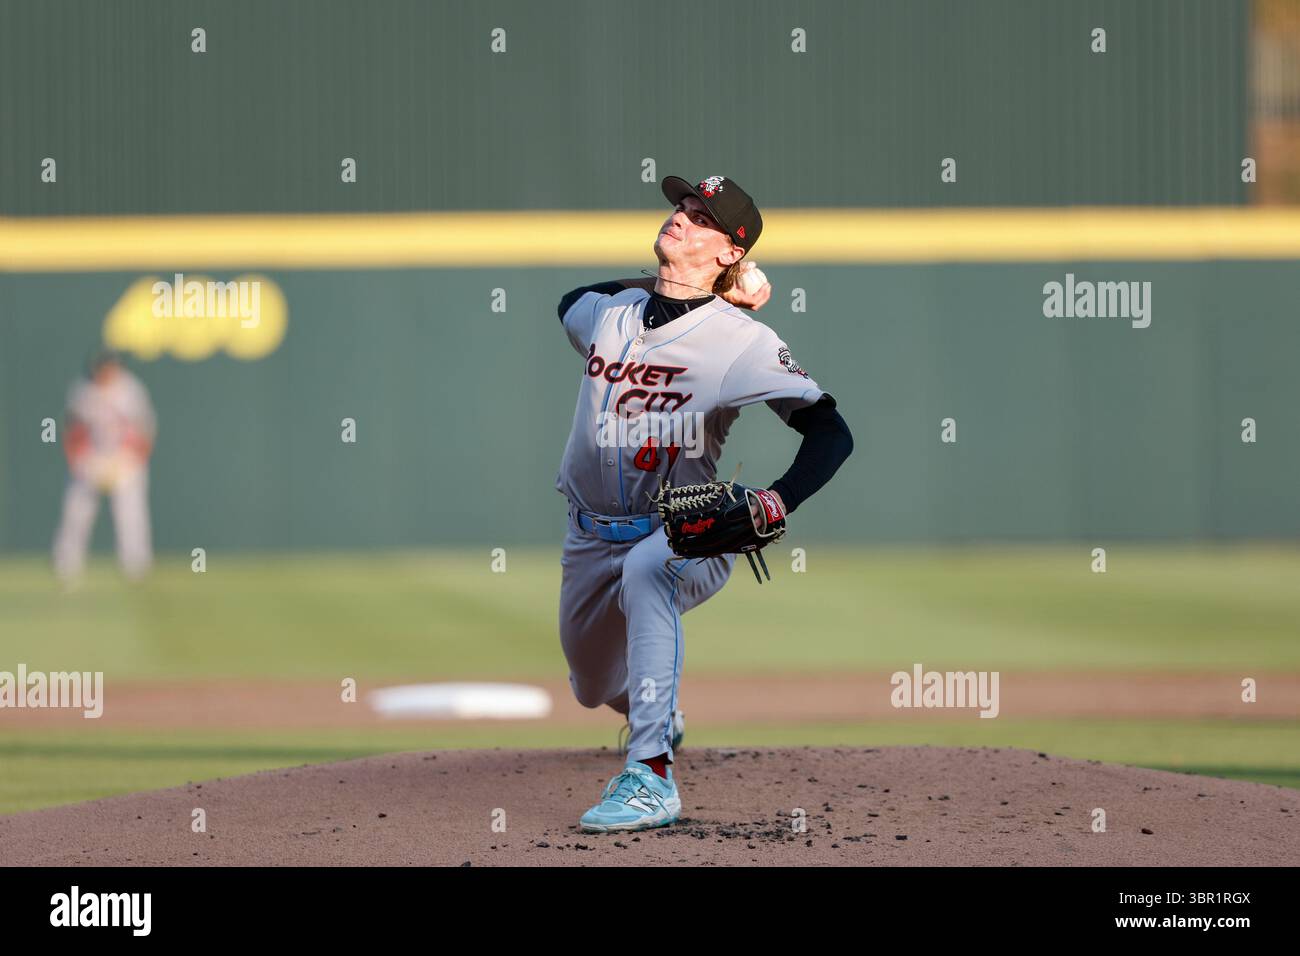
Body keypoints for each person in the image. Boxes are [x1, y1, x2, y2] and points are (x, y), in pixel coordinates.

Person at [554, 175, 854, 832]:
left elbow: (832, 432)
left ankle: (651, 776)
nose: (683, 217)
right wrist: (681, 284)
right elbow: (570, 299)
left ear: (730, 251)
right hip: (589, 536)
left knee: (648, 571)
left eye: (702, 217)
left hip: (686, 533)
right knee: (590, 687)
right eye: (682, 207)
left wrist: (776, 501)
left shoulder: (740, 340)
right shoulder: (612, 314)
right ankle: (659, 710)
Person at [53, 350, 157, 583]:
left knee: (130, 515)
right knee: (77, 512)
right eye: (103, 368)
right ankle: (66, 561)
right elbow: (73, 428)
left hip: (124, 459)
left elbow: (145, 428)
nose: (107, 372)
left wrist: (135, 459)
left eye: (111, 367)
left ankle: (136, 564)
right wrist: (76, 458)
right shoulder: (83, 391)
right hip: (93, 458)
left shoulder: (131, 390)